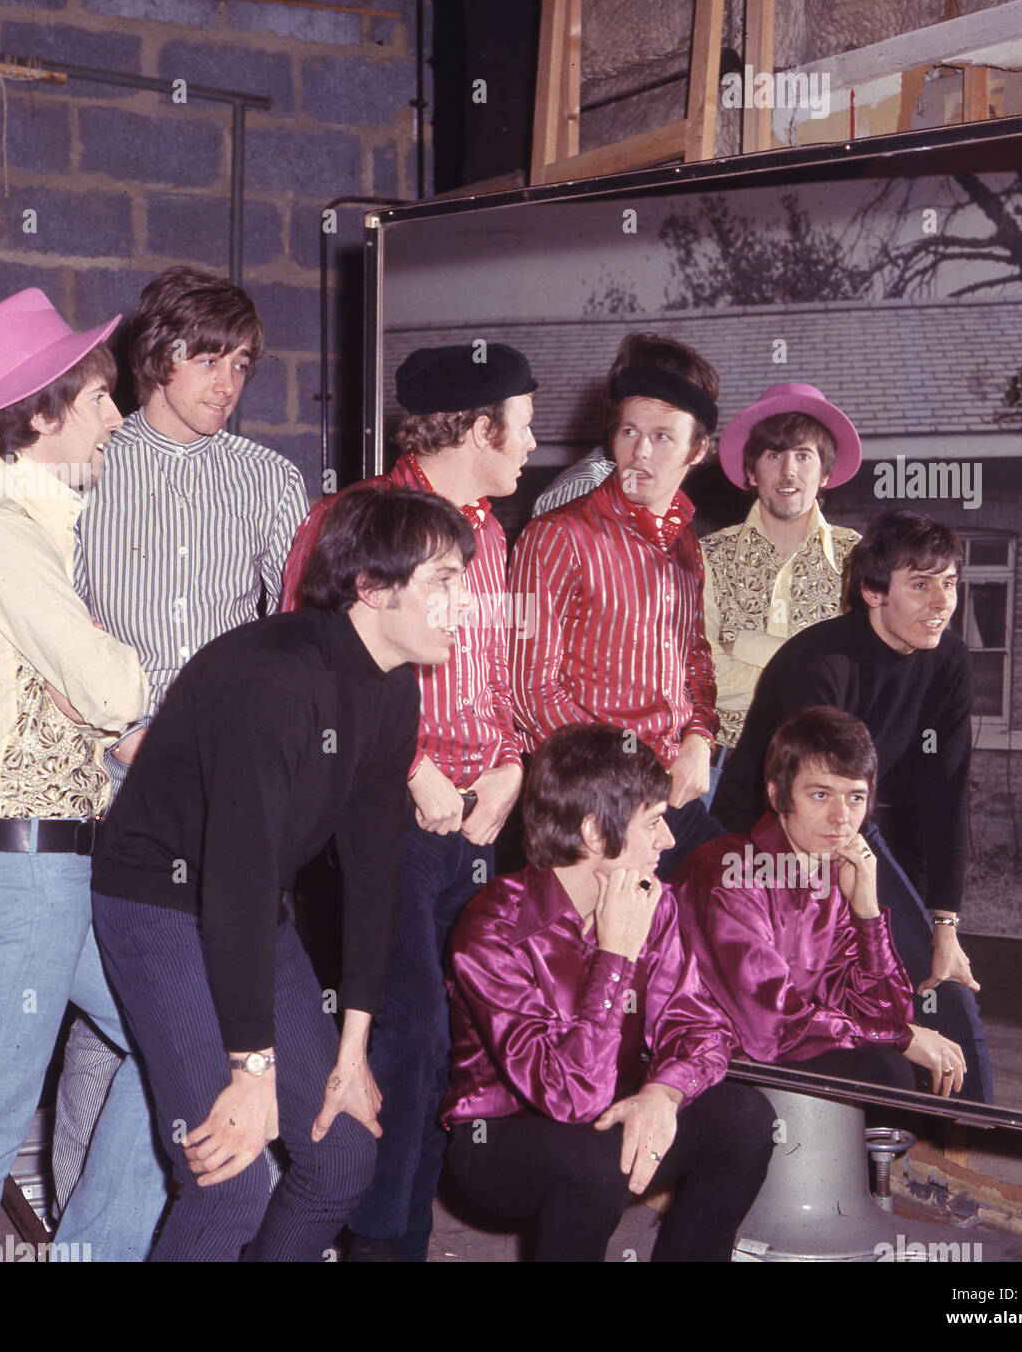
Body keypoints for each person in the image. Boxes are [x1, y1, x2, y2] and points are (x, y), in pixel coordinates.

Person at [90, 486, 475, 1262]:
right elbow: (231, 873)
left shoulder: (394, 688)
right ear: (371, 586)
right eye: (442, 580)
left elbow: (373, 872)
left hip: (251, 906)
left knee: (341, 1156)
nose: (463, 603)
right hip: (158, 904)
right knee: (227, 1179)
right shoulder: (276, 676)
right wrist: (251, 1068)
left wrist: (351, 1051)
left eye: (462, 578)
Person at [0, 288, 167, 1261]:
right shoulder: (2, 534)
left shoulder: (18, 523)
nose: (116, 413)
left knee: (171, 1046)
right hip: (21, 873)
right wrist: (106, 668)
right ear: (43, 411)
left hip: (43, 866)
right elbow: (110, 683)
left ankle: (91, 1253)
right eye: (101, 395)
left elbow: (89, 699)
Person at [55, 265, 307, 1214]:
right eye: (209, 357)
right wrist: (118, 727)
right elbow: (43, 624)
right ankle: (86, 1206)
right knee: (123, 1010)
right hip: (111, 774)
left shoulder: (266, 480)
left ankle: (180, 1202)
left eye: (243, 362)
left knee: (201, 1001)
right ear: (156, 355)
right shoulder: (86, 462)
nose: (228, 382)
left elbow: (300, 631)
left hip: (227, 791)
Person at [282, 343, 535, 1261]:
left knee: (448, 1041)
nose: (534, 442)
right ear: (476, 429)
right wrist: (412, 763)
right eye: (524, 422)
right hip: (379, 816)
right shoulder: (352, 519)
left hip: (476, 822)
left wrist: (508, 768)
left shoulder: (493, 535)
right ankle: (373, 1238)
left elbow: (503, 677)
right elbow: (310, 668)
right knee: (406, 1031)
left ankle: (405, 1233)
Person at [441, 723, 775, 1262]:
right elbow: (570, 1097)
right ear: (596, 835)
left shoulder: (654, 899)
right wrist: (614, 956)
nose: (669, 841)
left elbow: (703, 1026)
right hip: (498, 1138)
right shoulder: (492, 928)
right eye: (654, 823)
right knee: (592, 1163)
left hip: (610, 1112)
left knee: (746, 1118)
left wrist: (662, 1095)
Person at [712, 509, 992, 1102]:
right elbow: (803, 804)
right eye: (920, 585)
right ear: (872, 593)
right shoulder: (821, 662)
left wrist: (945, 925)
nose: (942, 601)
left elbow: (947, 791)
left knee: (950, 997)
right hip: (762, 836)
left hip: (850, 829)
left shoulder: (948, 660)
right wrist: (857, 913)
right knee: (828, 996)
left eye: (950, 582)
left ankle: (969, 1154)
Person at [509, 332, 723, 878]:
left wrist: (700, 737)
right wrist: (625, 776)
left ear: (698, 450)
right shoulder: (556, 535)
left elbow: (694, 660)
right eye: (629, 432)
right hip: (595, 804)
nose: (640, 452)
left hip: (674, 794)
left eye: (661, 437)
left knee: (757, 908)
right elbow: (529, 690)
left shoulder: (686, 543)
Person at [677, 706, 967, 1095]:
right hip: (697, 1067)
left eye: (855, 798)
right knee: (889, 1067)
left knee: (900, 1063)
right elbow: (771, 1023)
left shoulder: (827, 873)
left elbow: (885, 1013)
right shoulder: (728, 876)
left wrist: (867, 914)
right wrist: (900, 1037)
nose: (841, 818)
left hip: (762, 1053)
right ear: (777, 794)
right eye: (820, 794)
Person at [699, 383, 862, 804]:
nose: (788, 471)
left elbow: (859, 678)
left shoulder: (857, 557)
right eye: (773, 456)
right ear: (752, 473)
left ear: (825, 473)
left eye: (803, 456)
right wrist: (810, 670)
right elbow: (701, 676)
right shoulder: (709, 555)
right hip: (723, 771)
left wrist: (749, 645)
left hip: (824, 782)